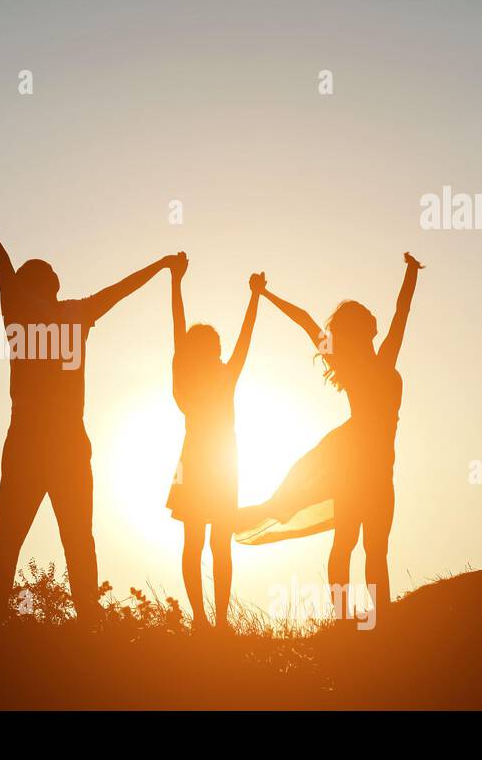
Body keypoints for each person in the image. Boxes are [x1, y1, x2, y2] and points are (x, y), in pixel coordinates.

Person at [0, 184, 179, 628]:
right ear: (53, 286)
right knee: (76, 539)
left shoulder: (19, 306)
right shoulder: (74, 313)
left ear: (28, 284)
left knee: (10, 540)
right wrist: (164, 265)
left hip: (33, 441)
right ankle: (89, 624)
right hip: (66, 443)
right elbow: (121, 288)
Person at [233, 253, 424, 624]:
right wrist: (266, 295)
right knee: (354, 543)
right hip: (358, 465)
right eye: (368, 322)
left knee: (371, 546)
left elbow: (402, 312)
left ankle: (375, 620)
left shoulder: (370, 361)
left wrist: (411, 273)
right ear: (364, 330)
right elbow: (308, 320)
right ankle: (347, 620)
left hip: (377, 467)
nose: (374, 325)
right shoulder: (369, 362)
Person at [165, 253, 264, 632]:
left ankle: (209, 622)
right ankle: (211, 622)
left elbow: (181, 327)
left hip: (211, 463)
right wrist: (255, 296)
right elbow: (244, 338)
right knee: (214, 544)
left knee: (202, 542)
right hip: (215, 463)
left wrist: (176, 281)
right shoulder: (208, 373)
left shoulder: (193, 372)